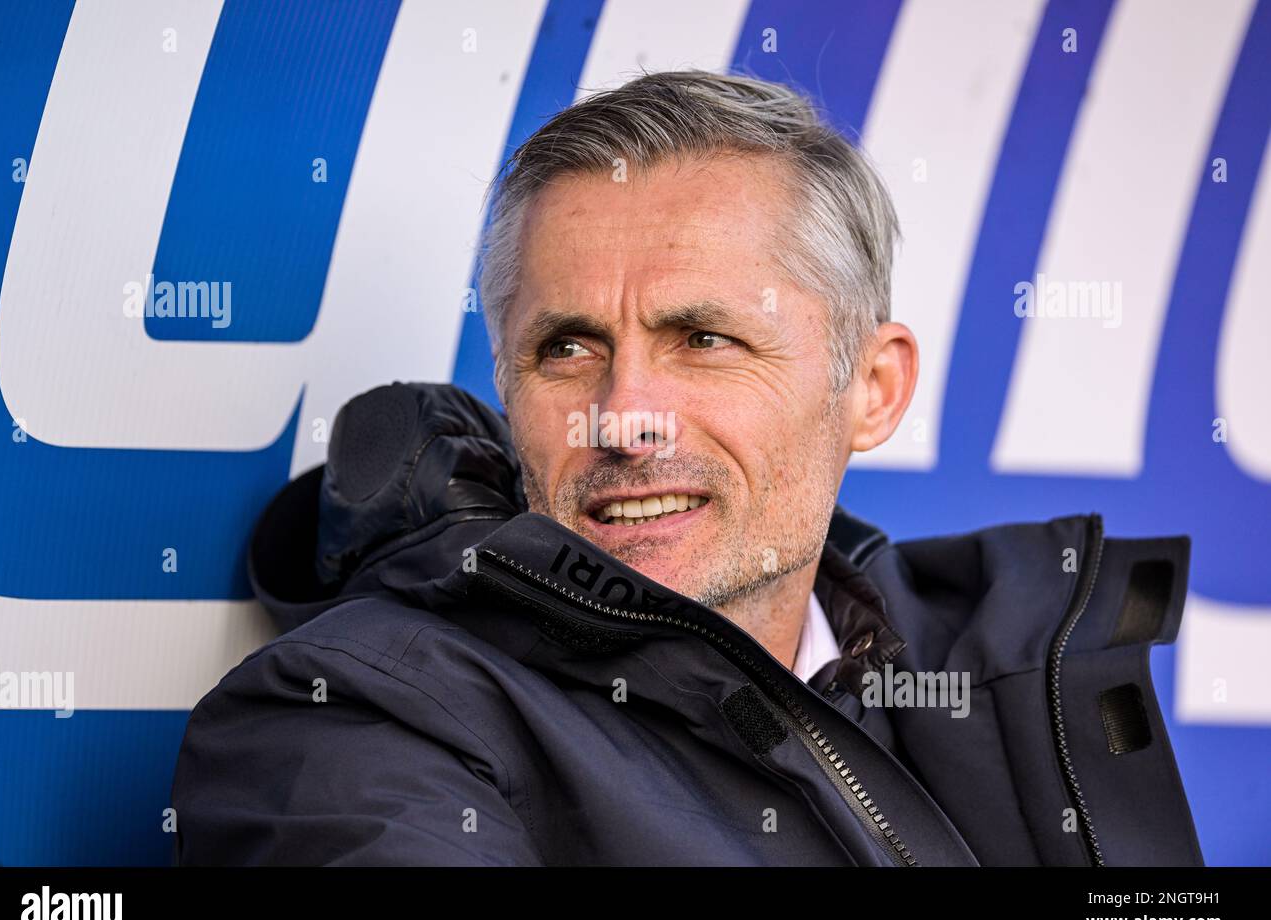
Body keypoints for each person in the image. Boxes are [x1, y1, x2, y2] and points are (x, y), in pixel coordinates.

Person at [171, 71, 1201, 866]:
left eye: (703, 339)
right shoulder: (351, 716)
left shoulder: (999, 660)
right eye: (565, 349)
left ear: (871, 389)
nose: (624, 419)